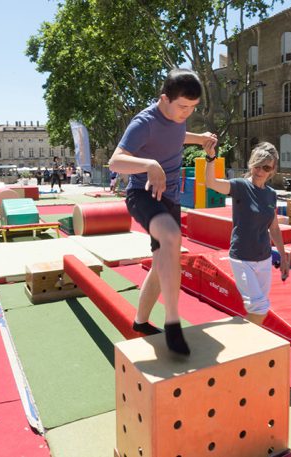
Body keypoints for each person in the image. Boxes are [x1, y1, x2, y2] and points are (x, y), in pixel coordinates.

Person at [109, 68, 217, 355]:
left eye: (192, 108)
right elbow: (115, 161)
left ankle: (141, 322)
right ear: (164, 99)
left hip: (169, 199)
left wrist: (202, 138)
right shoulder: (144, 122)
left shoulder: (178, 119)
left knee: (162, 262)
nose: (186, 113)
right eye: (182, 106)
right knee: (170, 240)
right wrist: (150, 165)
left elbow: (179, 135)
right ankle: (172, 324)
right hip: (142, 195)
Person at [205, 142, 290, 326]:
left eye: (266, 167)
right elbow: (211, 183)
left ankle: (250, 345)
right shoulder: (240, 186)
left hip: (264, 259)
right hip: (242, 257)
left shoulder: (271, 194)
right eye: (257, 165)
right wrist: (211, 158)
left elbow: (274, 228)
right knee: (259, 308)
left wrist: (283, 256)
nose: (260, 170)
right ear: (251, 165)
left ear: (272, 170)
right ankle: (244, 345)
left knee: (257, 308)